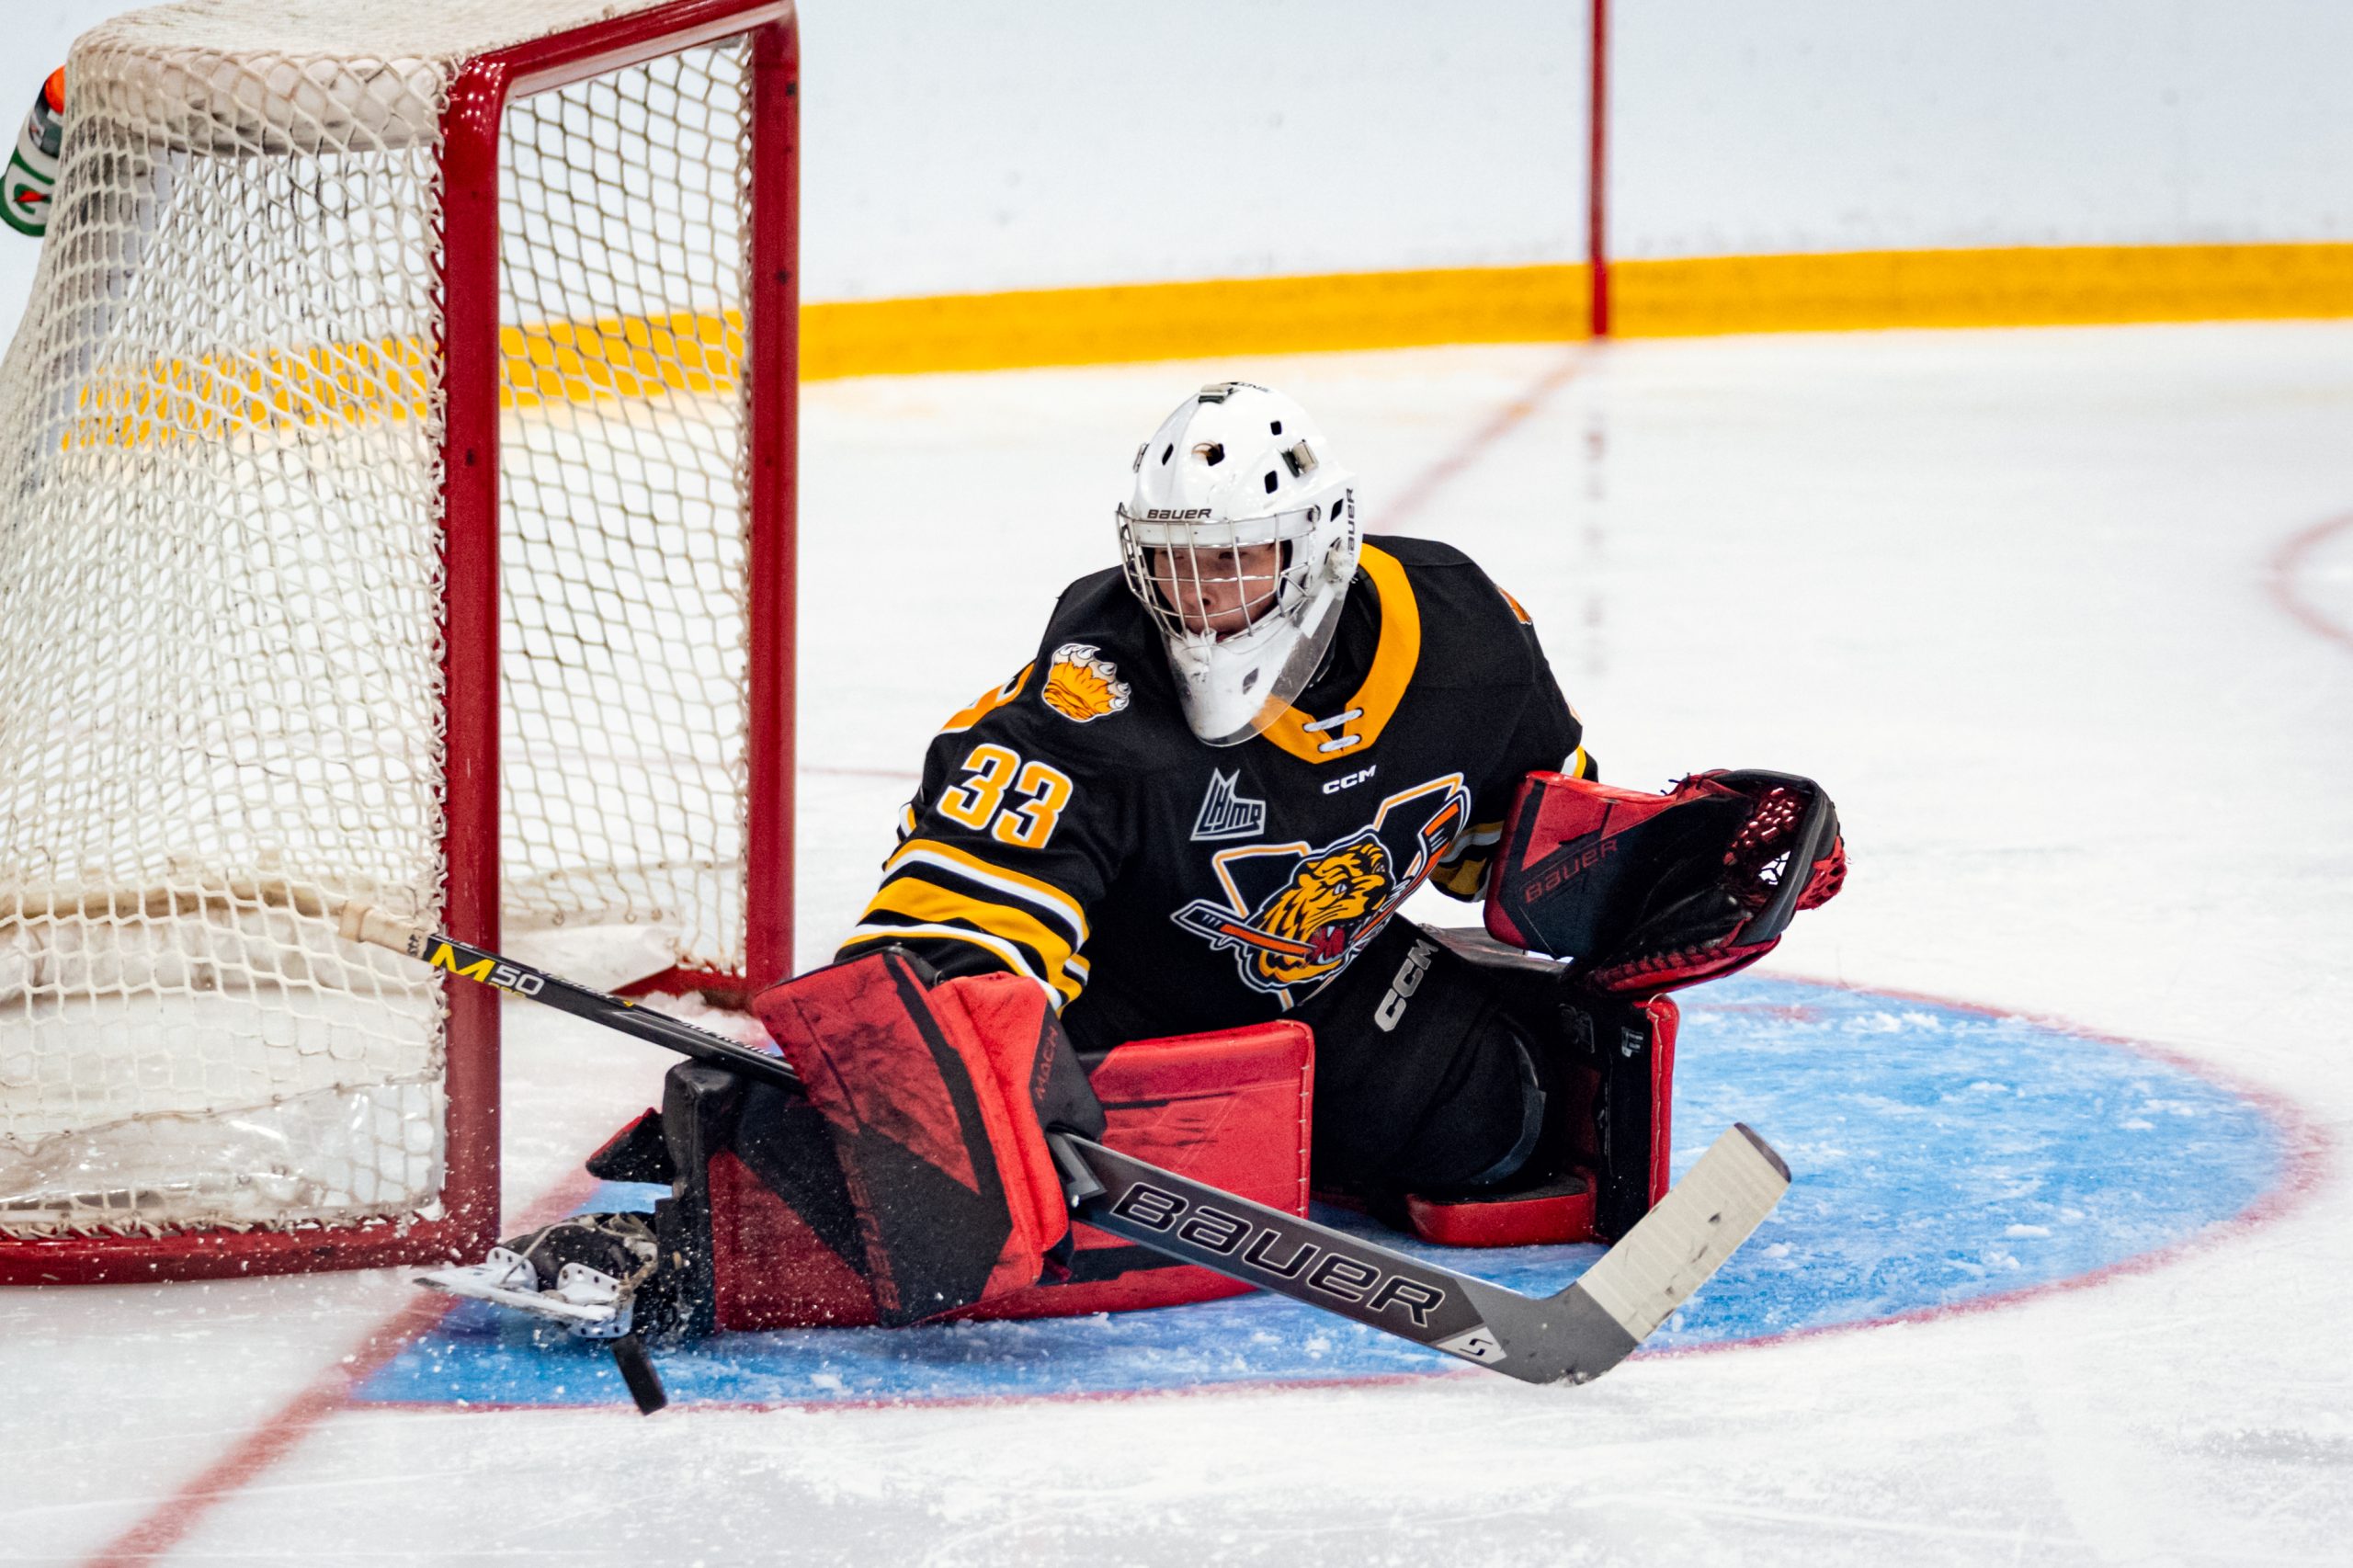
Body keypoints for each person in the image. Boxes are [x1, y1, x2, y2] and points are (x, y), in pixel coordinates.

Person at [836, 380, 1598, 1200]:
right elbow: (957, 920)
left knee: (1497, 1126)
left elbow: (1528, 847)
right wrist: (971, 1070)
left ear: (1321, 543)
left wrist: (1640, 869)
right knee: (972, 1143)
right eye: (1170, 560)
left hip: (1322, 976)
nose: (1195, 593)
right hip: (1119, 996)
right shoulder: (1095, 691)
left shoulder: (1465, 634)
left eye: (1233, 560)